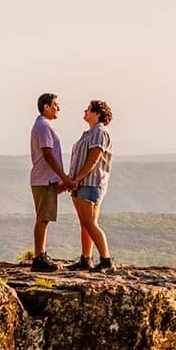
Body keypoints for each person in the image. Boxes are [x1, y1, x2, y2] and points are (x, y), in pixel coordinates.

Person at [64, 99, 116, 272]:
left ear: (97, 113)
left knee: (90, 222)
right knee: (85, 223)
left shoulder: (100, 132)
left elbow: (94, 159)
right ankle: (86, 258)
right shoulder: (88, 133)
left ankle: (106, 260)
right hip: (81, 183)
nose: (85, 112)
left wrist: (77, 179)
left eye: (88, 109)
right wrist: (71, 180)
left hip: (91, 183)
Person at [28, 92, 72, 271]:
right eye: (55, 105)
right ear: (46, 107)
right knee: (43, 218)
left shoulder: (42, 125)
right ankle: (39, 258)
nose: (58, 108)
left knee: (43, 218)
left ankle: (41, 255)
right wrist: (64, 177)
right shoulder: (44, 126)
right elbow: (48, 154)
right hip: (44, 179)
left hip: (44, 179)